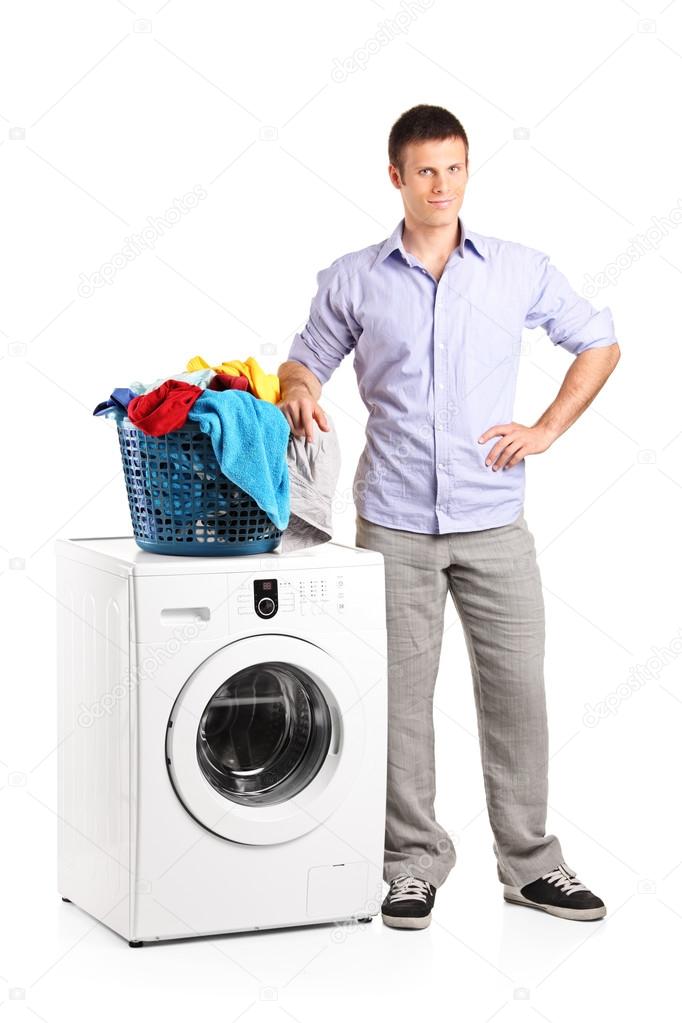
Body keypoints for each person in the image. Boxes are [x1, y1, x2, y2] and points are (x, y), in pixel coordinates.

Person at [277, 104, 620, 930]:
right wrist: (296, 387)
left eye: (455, 168)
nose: (442, 185)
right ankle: (410, 862)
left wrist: (544, 429)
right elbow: (304, 358)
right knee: (398, 697)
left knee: (517, 694)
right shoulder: (354, 277)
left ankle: (532, 864)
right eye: (425, 170)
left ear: (469, 172)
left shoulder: (518, 268)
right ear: (396, 177)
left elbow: (601, 340)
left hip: (494, 519)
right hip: (394, 519)